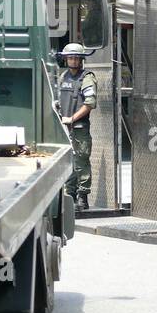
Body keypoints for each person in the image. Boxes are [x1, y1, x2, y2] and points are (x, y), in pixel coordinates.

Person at [57, 43, 97, 211]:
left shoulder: (87, 77)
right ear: (66, 59)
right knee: (67, 162)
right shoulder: (63, 76)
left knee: (81, 161)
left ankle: (83, 196)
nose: (72, 60)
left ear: (81, 59)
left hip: (79, 128)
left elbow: (90, 103)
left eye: (76, 57)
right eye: (70, 57)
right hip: (64, 127)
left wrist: (71, 119)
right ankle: (70, 194)